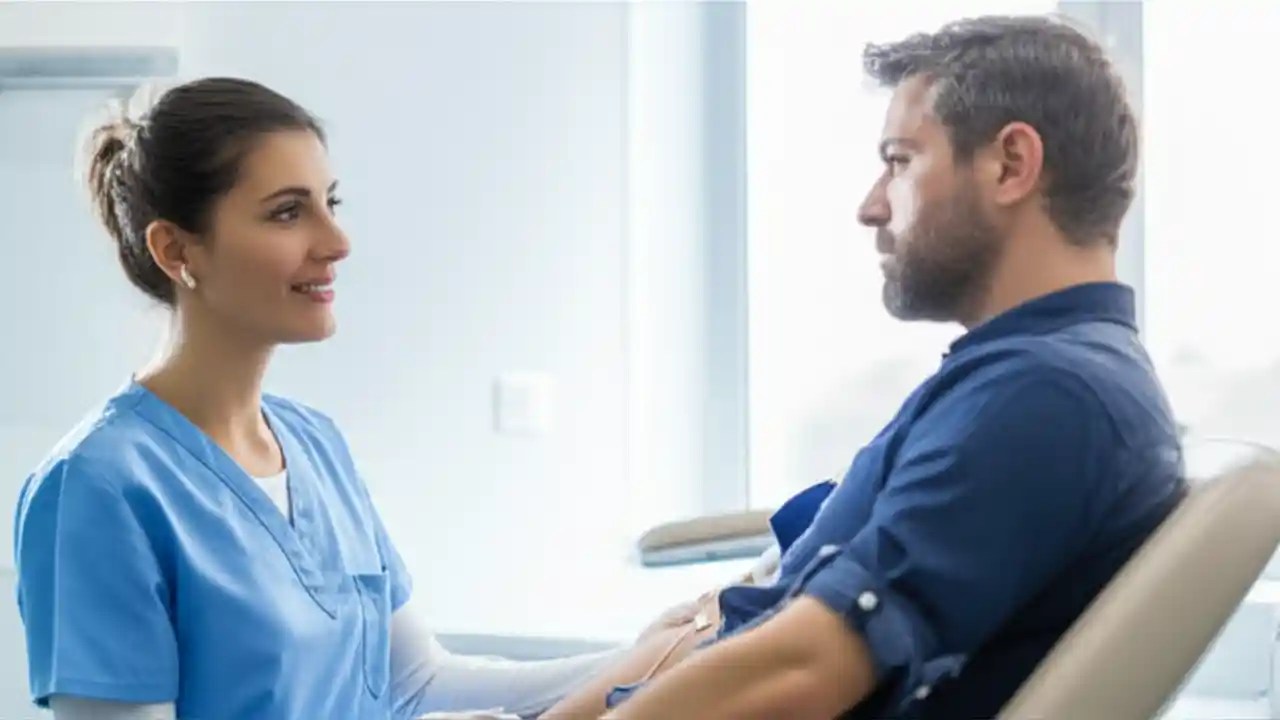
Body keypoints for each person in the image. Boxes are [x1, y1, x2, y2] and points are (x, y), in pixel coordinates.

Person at [546, 14, 1188, 720]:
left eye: (900, 160)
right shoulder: (1014, 380)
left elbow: (804, 668)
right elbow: (759, 618)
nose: (871, 205)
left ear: (1011, 164)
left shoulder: (1048, 399)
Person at [11, 76, 695, 720]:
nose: (336, 242)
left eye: (330, 204)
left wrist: (652, 656)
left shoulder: (314, 446)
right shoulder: (95, 490)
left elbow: (414, 681)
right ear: (176, 250)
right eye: (287, 213)